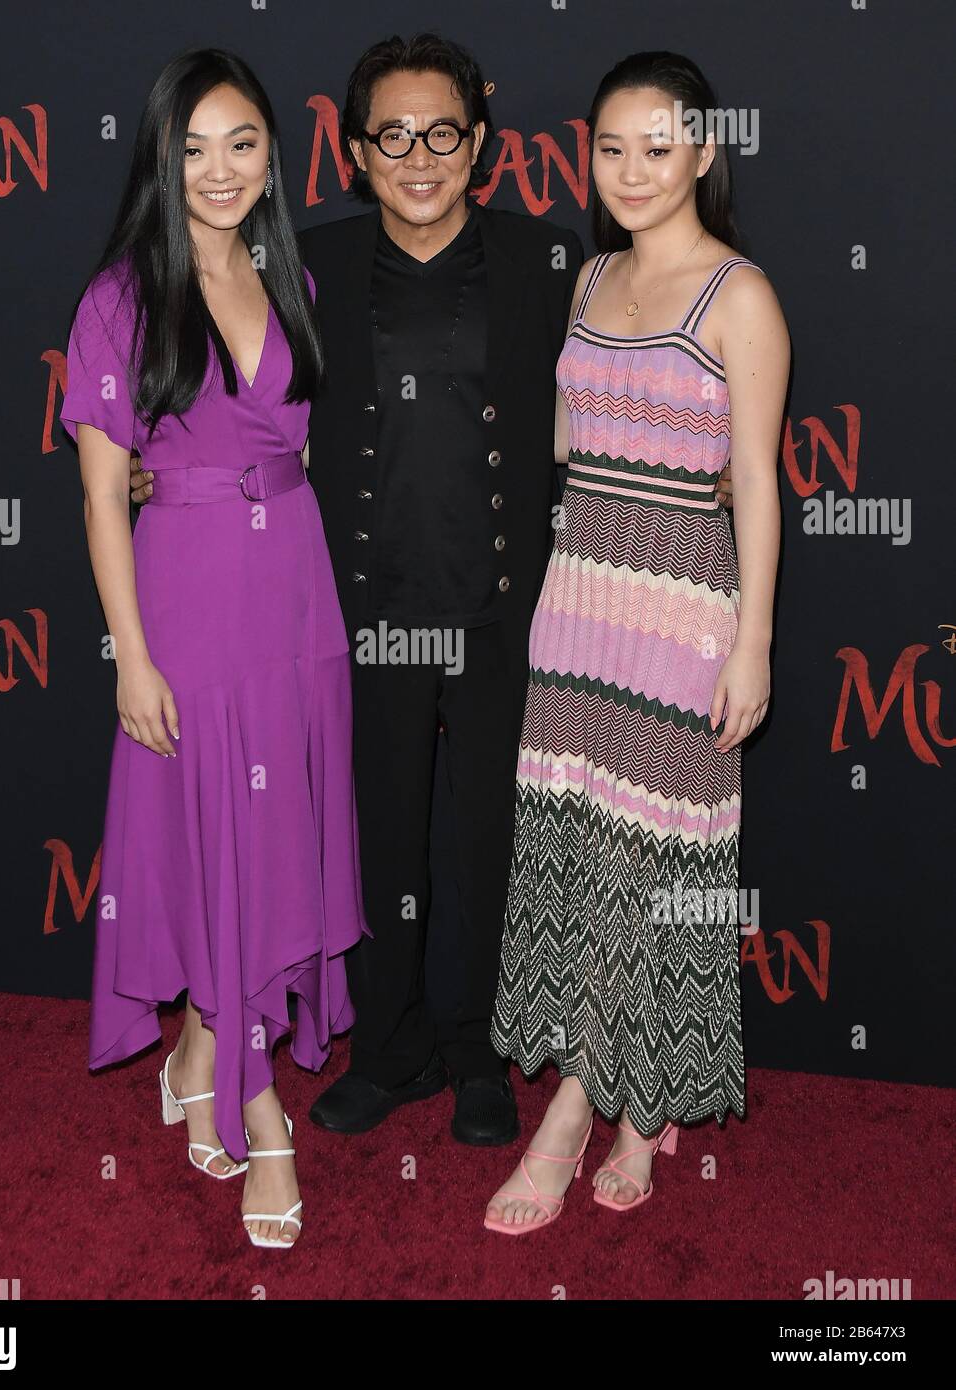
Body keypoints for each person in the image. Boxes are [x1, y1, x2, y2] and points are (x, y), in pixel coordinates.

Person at [130, 33, 735, 1152]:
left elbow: (636, 392)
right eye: (392, 134)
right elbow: (223, 384)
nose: (419, 155)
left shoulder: (549, 264)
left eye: (442, 132)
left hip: (512, 609)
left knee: (488, 840)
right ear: (355, 149)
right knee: (379, 837)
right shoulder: (304, 264)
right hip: (361, 613)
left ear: (480, 146)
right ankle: (392, 1045)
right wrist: (150, 466)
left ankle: (475, 1046)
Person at [61, 47, 368, 1249]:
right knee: (212, 837)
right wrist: (130, 655)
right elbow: (99, 499)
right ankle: (258, 1113)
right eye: (191, 148)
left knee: (273, 832)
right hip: (185, 597)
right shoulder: (119, 296)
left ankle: (201, 1033)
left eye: (242, 143)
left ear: (272, 156)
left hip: (295, 587)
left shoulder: (284, 266)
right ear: (157, 157)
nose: (220, 170)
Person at [485, 51, 787, 1232]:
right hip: (577, 604)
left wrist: (750, 640)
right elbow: (567, 443)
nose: (629, 171)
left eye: (657, 147)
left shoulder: (739, 297)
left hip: (680, 607)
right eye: (608, 149)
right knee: (578, 842)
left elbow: (754, 482)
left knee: (656, 860)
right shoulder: (589, 278)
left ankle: (599, 1107)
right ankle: (609, 1087)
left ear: (705, 151)